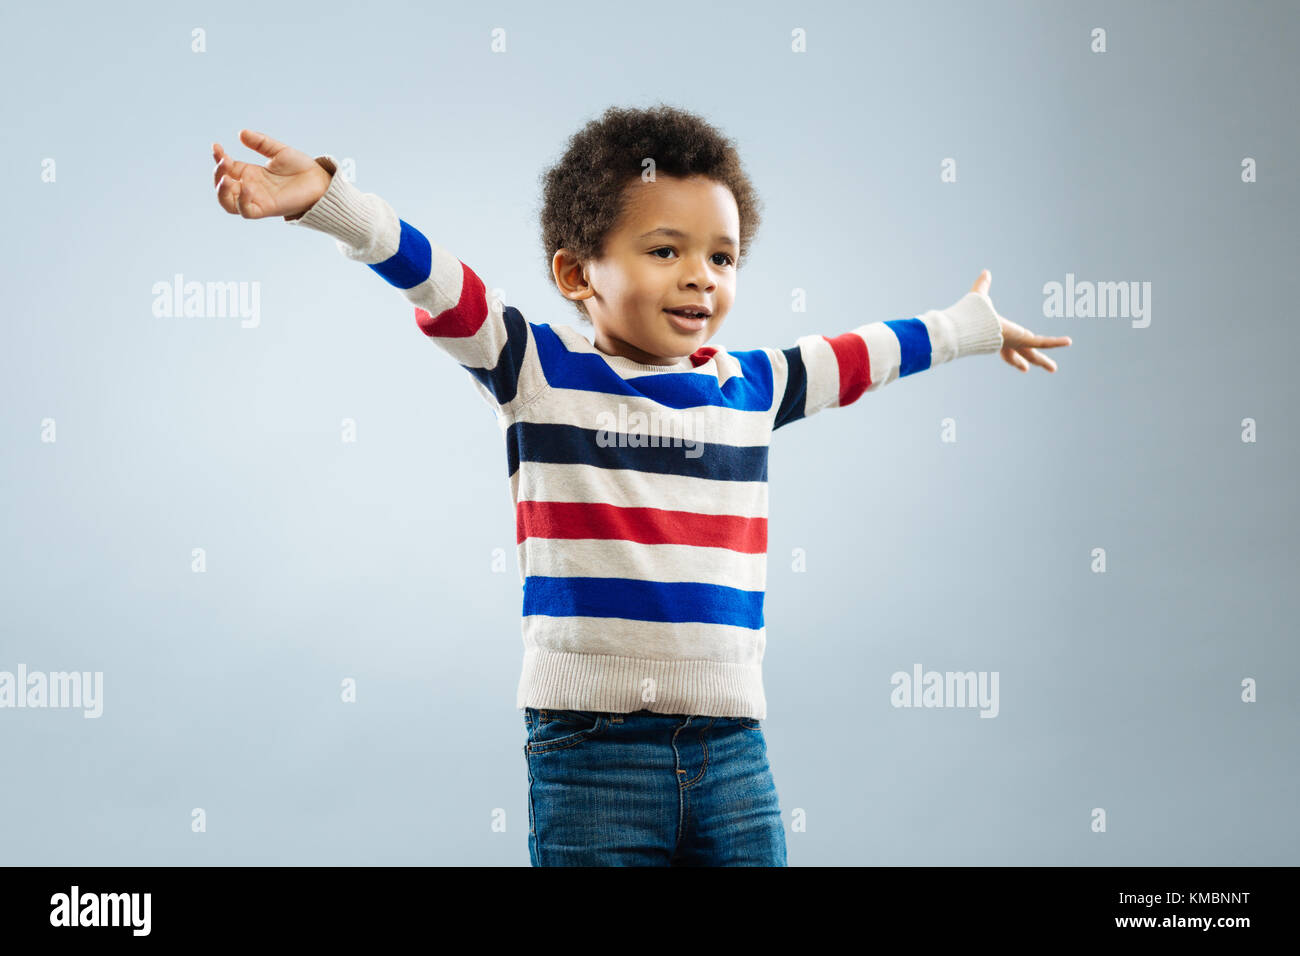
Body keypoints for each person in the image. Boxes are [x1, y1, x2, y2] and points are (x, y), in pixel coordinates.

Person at [210, 104, 1071, 866]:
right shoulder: (535, 369)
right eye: (667, 251)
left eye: (724, 257)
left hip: (733, 751)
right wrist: (330, 201)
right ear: (577, 274)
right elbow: (437, 277)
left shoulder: (751, 385)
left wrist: (967, 327)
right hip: (592, 755)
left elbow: (861, 356)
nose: (703, 275)